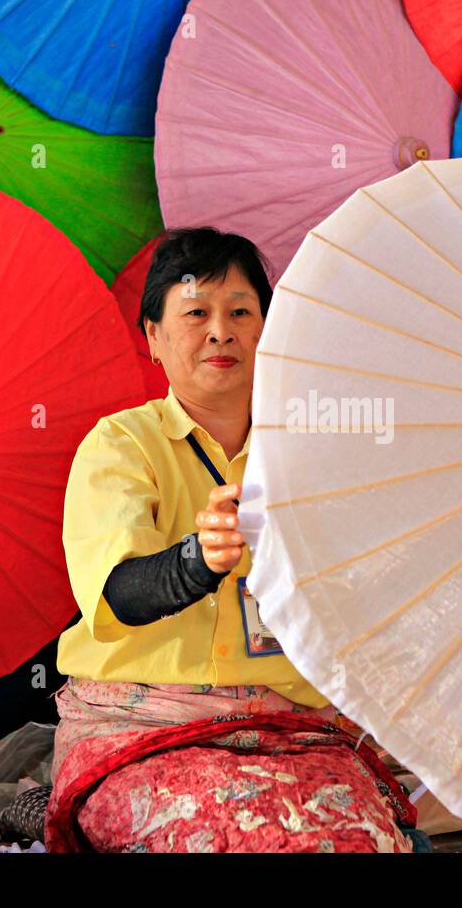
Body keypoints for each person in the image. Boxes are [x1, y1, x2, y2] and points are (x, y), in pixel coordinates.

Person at [46, 228, 417, 853]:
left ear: (267, 332)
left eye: (241, 312)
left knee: (362, 842)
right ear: (154, 339)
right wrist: (199, 559)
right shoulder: (121, 444)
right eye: (195, 313)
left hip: (296, 726)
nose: (221, 331)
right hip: (144, 725)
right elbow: (119, 595)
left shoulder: (316, 448)